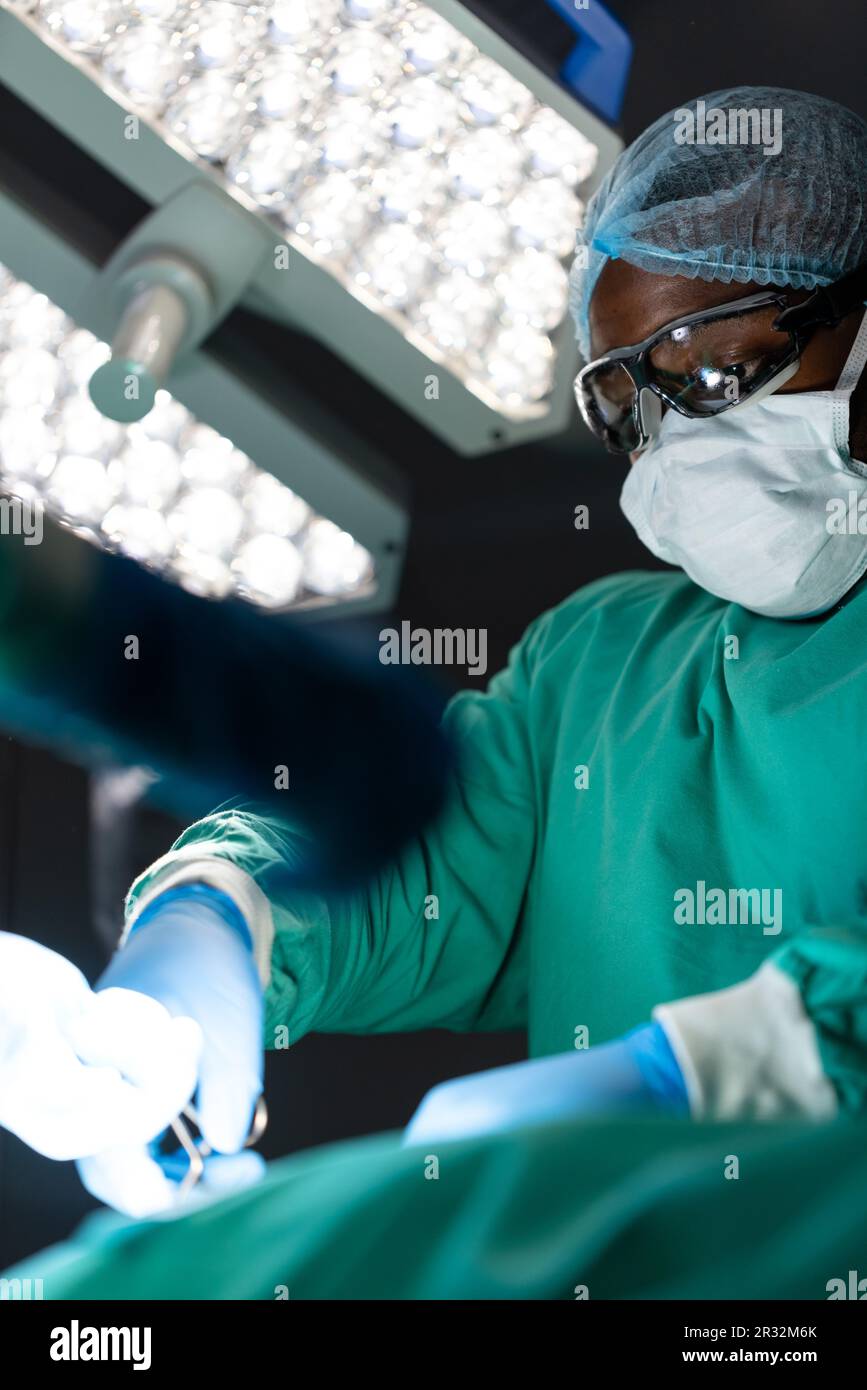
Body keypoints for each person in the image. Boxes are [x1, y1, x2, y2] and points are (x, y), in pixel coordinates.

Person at [7, 85, 867, 1297]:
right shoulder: (605, 668)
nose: (677, 439)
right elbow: (415, 859)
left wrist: (712, 1069)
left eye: (717, 371)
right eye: (630, 405)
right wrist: (214, 926)